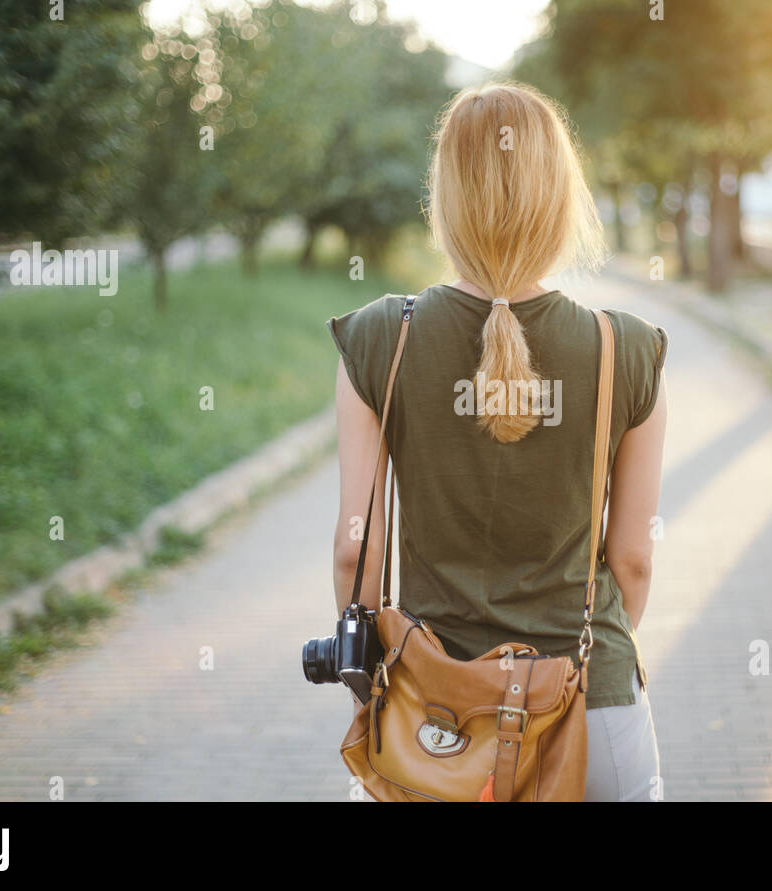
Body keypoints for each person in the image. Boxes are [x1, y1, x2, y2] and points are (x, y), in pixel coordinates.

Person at [326, 81, 669, 802]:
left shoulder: (381, 337)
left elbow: (356, 548)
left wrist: (367, 688)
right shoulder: (625, 350)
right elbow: (631, 561)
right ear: (559, 198)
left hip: (432, 720)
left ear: (446, 198)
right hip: (590, 708)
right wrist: (575, 658)